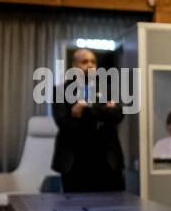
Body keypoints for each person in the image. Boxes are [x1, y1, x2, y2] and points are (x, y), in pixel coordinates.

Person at [50, 47, 125, 193]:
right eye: (84, 62)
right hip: (75, 163)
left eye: (93, 62)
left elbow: (118, 115)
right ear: (74, 66)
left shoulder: (109, 89)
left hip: (106, 162)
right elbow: (63, 122)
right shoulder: (60, 91)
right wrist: (104, 111)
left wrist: (84, 109)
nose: (90, 65)